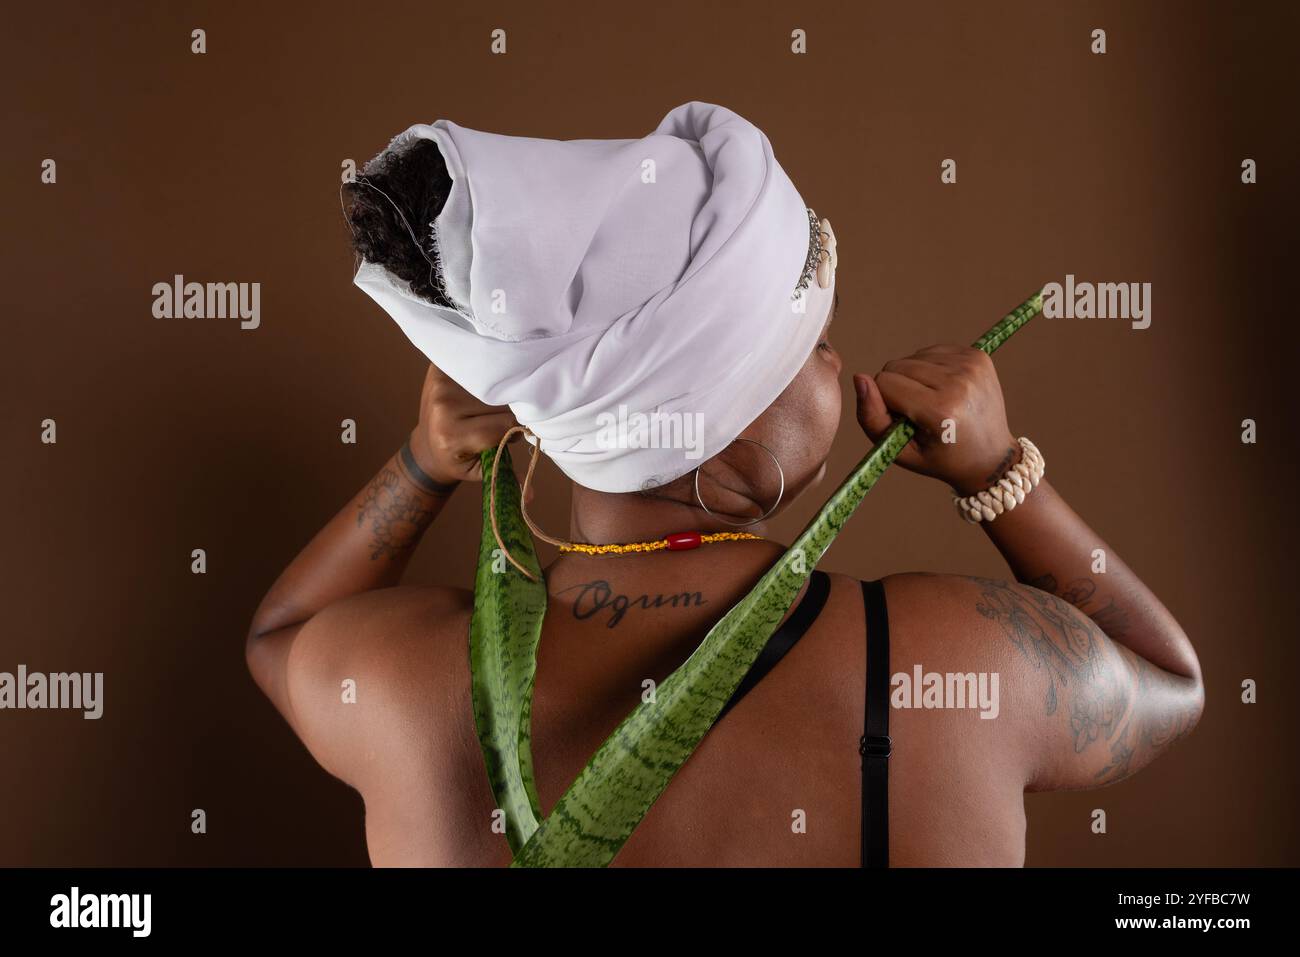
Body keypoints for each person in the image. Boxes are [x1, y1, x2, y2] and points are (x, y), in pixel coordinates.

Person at [246, 104, 1203, 866]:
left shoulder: (402, 682)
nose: (839, 366)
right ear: (728, 431)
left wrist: (422, 461)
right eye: (813, 346)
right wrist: (1002, 476)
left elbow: (278, 636)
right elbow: (1167, 679)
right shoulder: (947, 667)